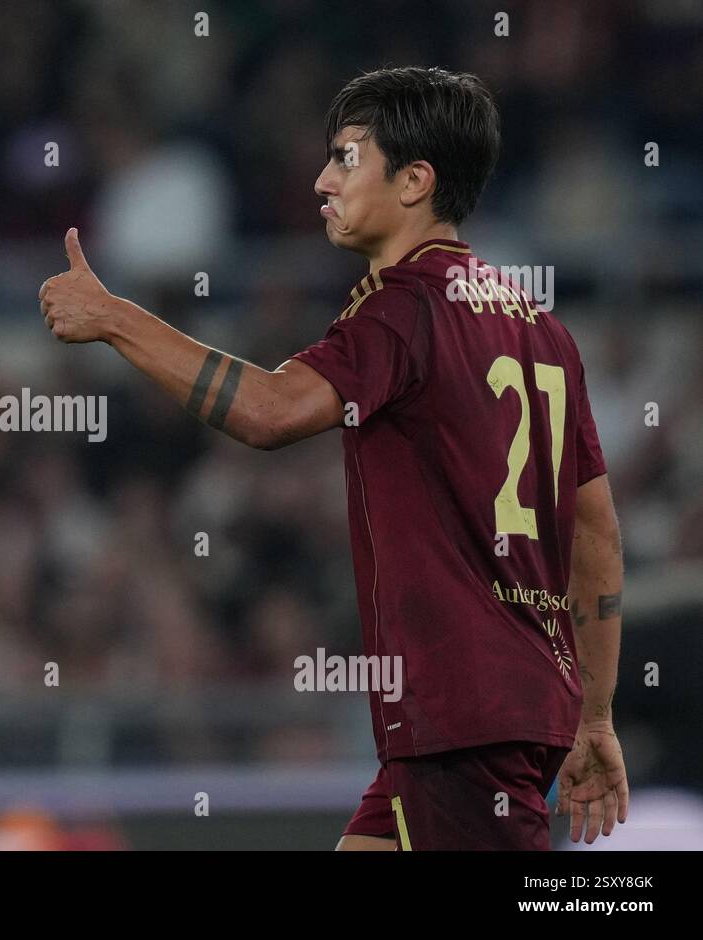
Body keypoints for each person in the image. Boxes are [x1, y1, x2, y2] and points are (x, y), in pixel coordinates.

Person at [37, 66, 628, 850]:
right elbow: (596, 534)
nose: (322, 179)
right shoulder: (543, 330)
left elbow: (269, 412)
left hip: (461, 718)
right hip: (487, 715)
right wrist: (594, 714)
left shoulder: (402, 309)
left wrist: (116, 321)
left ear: (416, 180)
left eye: (348, 157)